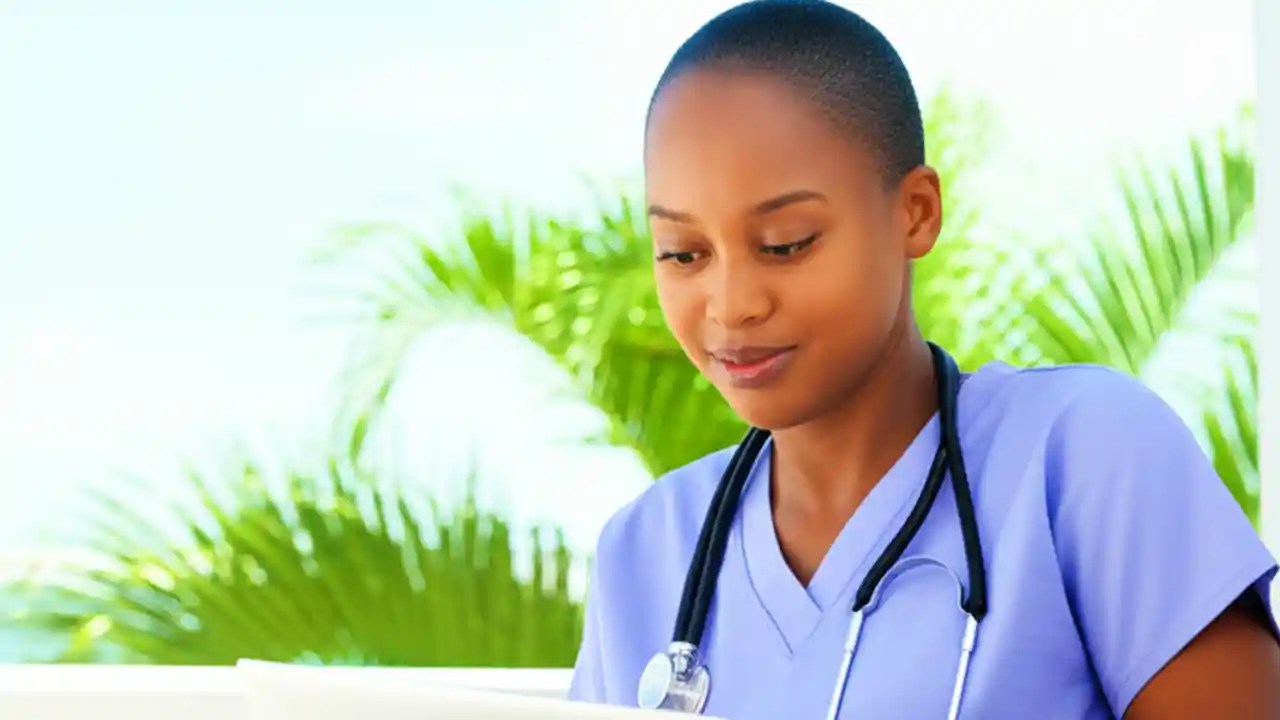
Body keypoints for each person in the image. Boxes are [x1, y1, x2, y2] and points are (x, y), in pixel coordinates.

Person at [565, 1, 1280, 718]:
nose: (731, 304)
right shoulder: (644, 555)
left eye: (785, 243)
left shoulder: (1088, 461)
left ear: (915, 211)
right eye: (684, 254)